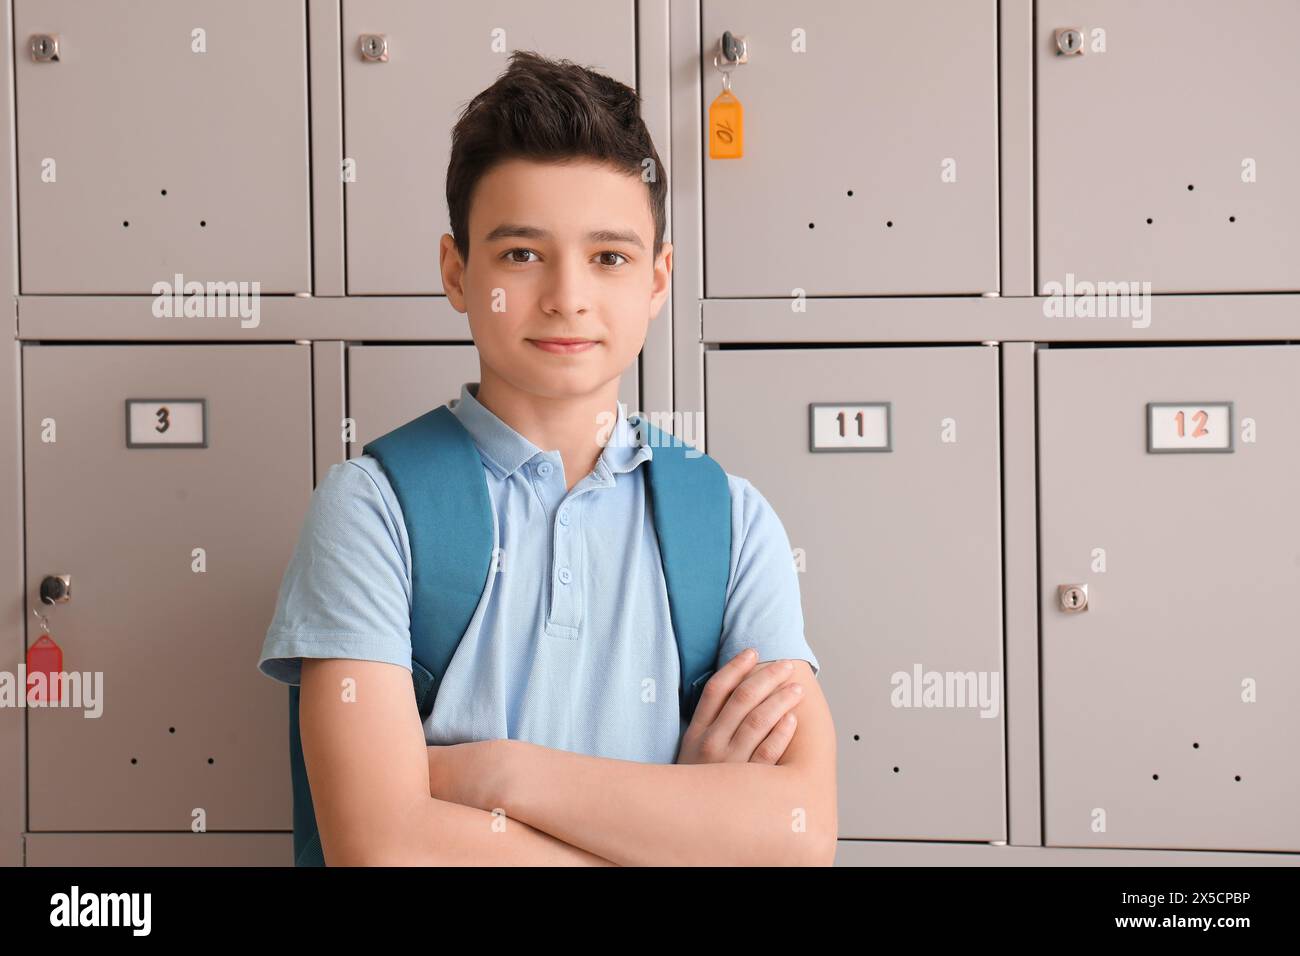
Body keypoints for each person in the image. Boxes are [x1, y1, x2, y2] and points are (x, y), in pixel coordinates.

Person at [257, 50, 836, 866]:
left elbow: (799, 835)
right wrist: (682, 829)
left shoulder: (732, 522)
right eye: (522, 254)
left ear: (658, 280)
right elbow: (382, 849)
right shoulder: (371, 508)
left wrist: (499, 774)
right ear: (458, 272)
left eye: (610, 257)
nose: (568, 295)